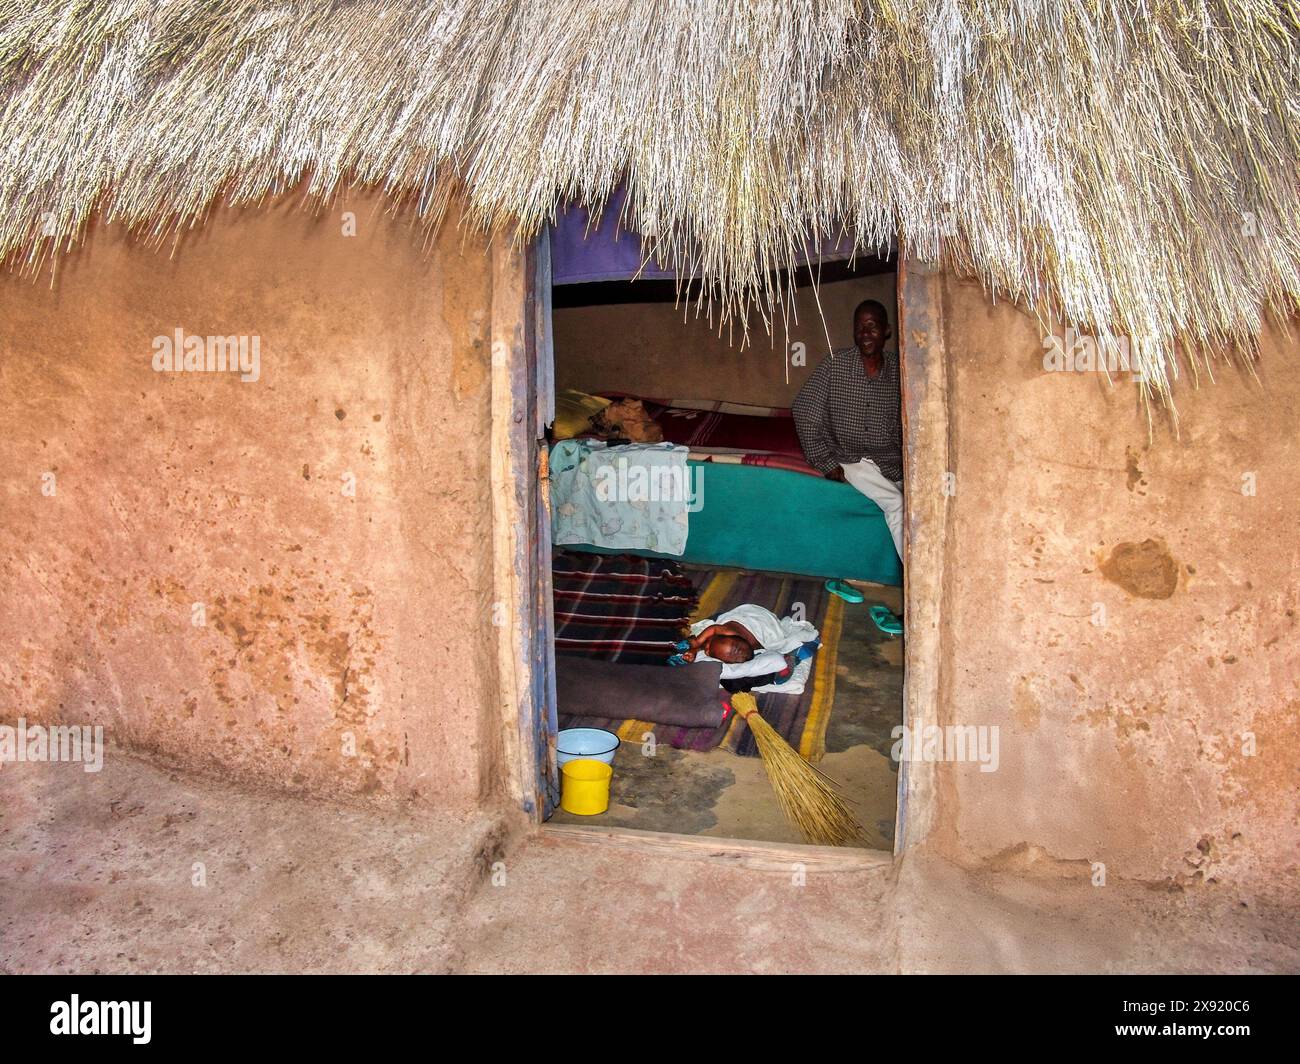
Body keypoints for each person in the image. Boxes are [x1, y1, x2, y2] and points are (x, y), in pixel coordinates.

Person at [791, 299, 903, 561]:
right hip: (849, 458)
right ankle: (917, 582)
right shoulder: (836, 364)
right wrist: (825, 461)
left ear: (886, 331)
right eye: (860, 327)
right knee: (898, 505)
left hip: (890, 462)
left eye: (872, 327)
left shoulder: (901, 370)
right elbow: (804, 410)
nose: (865, 334)